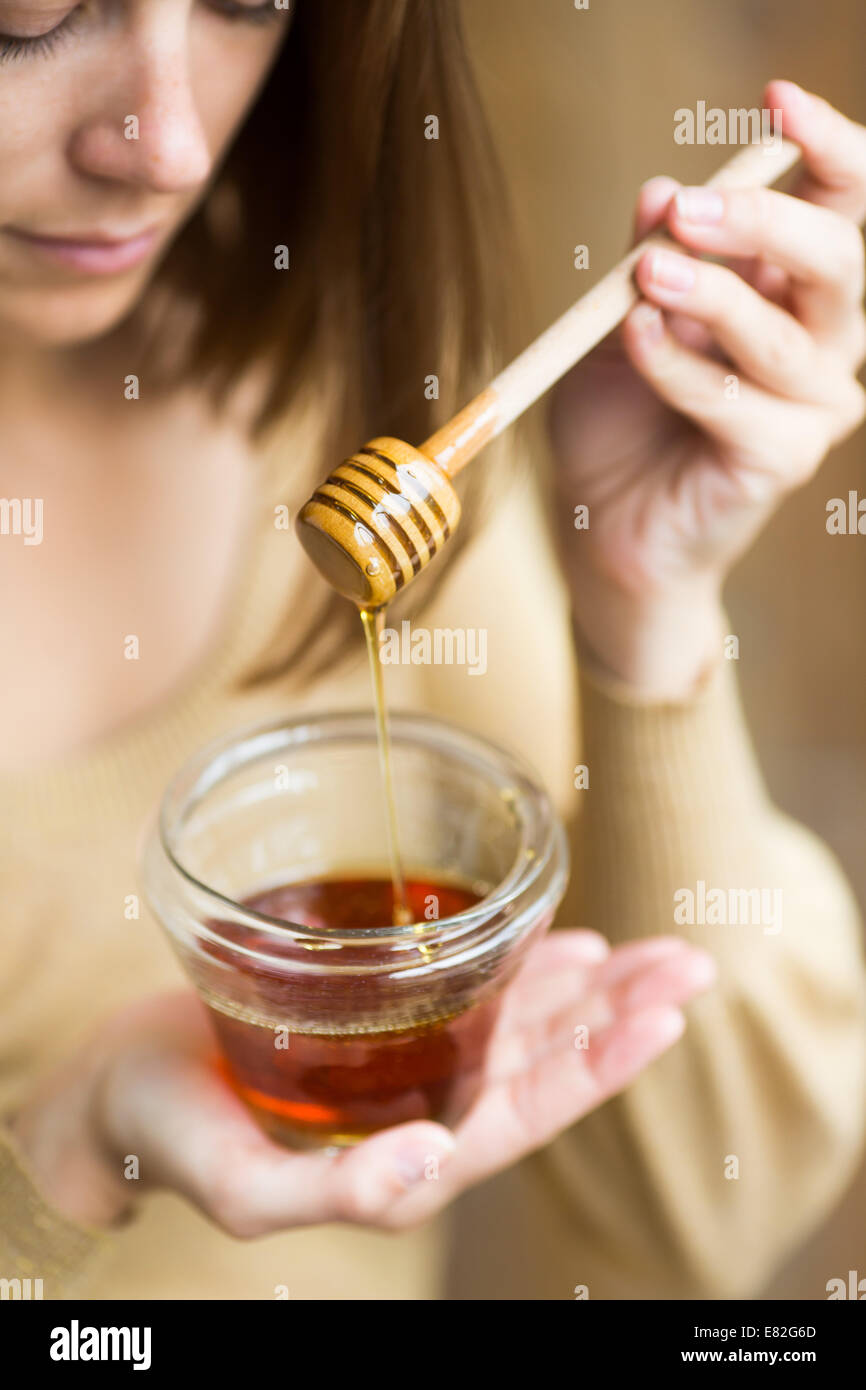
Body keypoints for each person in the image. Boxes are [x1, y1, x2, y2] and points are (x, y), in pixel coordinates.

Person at [1, 0, 864, 1301]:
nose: (169, 145)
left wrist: (643, 595)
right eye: (31, 17)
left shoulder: (335, 354)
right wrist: (62, 1161)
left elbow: (695, 1215)